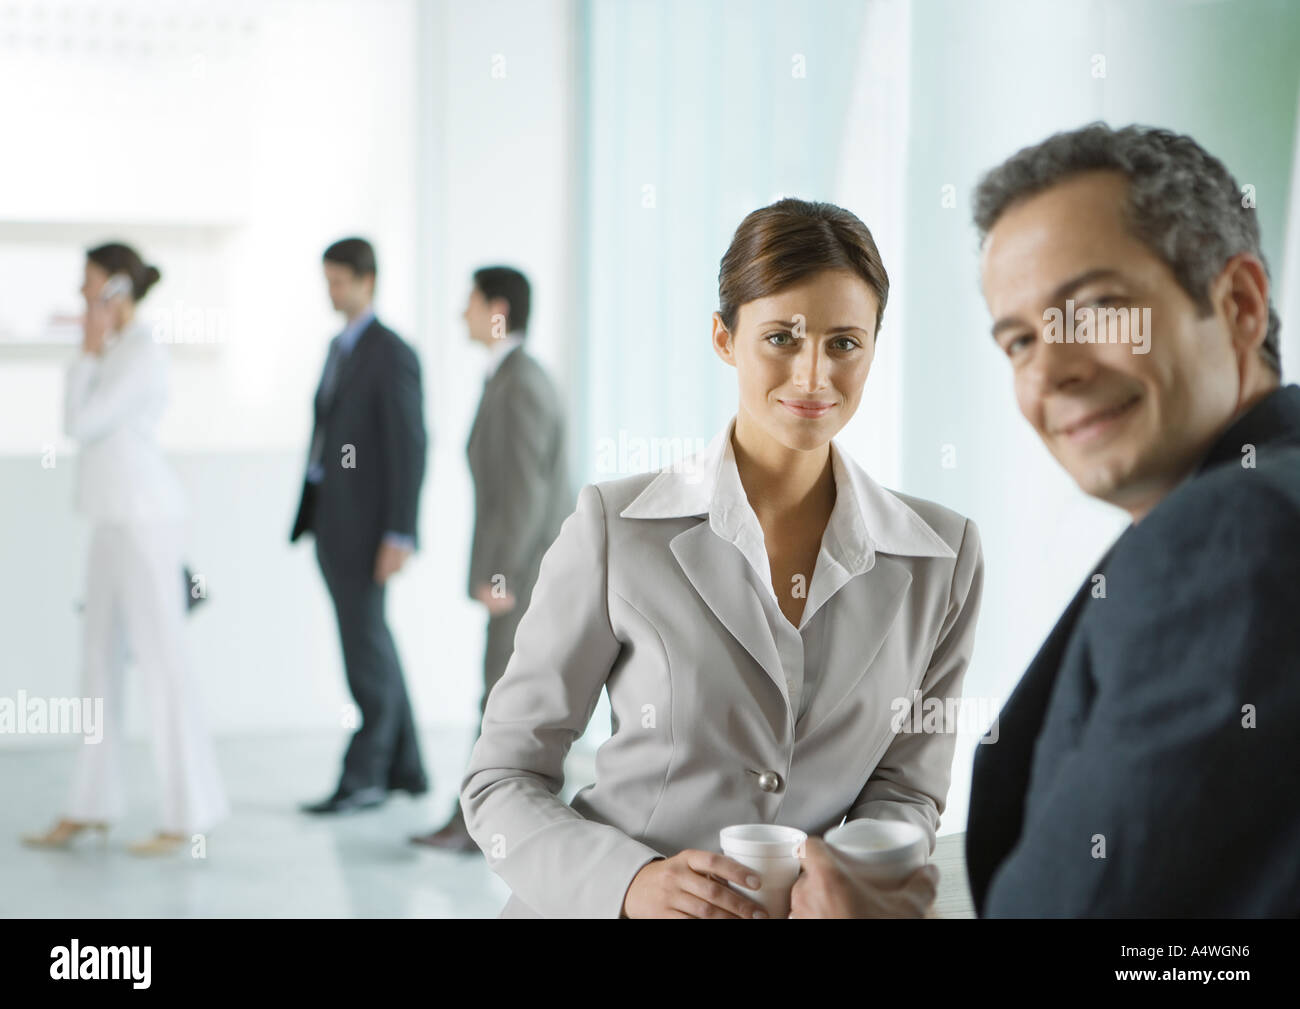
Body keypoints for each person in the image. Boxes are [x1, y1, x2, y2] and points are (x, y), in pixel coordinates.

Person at [460, 198, 984, 917]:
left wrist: (840, 882)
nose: (813, 376)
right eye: (781, 337)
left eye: (844, 343)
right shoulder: (618, 528)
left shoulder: (943, 557)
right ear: (723, 338)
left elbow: (907, 788)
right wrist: (630, 883)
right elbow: (501, 779)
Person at [967, 123, 1300, 915]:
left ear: (1240, 304)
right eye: (1018, 341)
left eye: (1093, 310)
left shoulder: (1232, 531)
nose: (1050, 371)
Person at [22, 242, 229, 856]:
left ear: (115, 289)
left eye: (89, 285)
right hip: (109, 521)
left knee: (163, 662)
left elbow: (81, 424)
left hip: (146, 522)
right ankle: (89, 805)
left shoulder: (141, 351)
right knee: (96, 664)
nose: (81, 295)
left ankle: (189, 812)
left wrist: (86, 353)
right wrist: (90, 351)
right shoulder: (113, 349)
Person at [411, 266, 572, 851]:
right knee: (508, 697)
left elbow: (525, 492)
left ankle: (481, 824)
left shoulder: (521, 383)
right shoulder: (508, 377)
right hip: (523, 571)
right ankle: (494, 821)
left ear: (497, 308)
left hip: (524, 575)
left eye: (470, 302)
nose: (462, 314)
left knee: (502, 699)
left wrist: (499, 575)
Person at [291, 238, 429, 814]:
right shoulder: (337, 348)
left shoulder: (390, 351)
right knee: (372, 643)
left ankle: (365, 776)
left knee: (365, 650)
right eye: (327, 281)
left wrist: (399, 533)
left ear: (368, 282)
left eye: (340, 282)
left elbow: (410, 444)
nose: (331, 292)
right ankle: (406, 768)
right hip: (329, 520)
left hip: (368, 528)